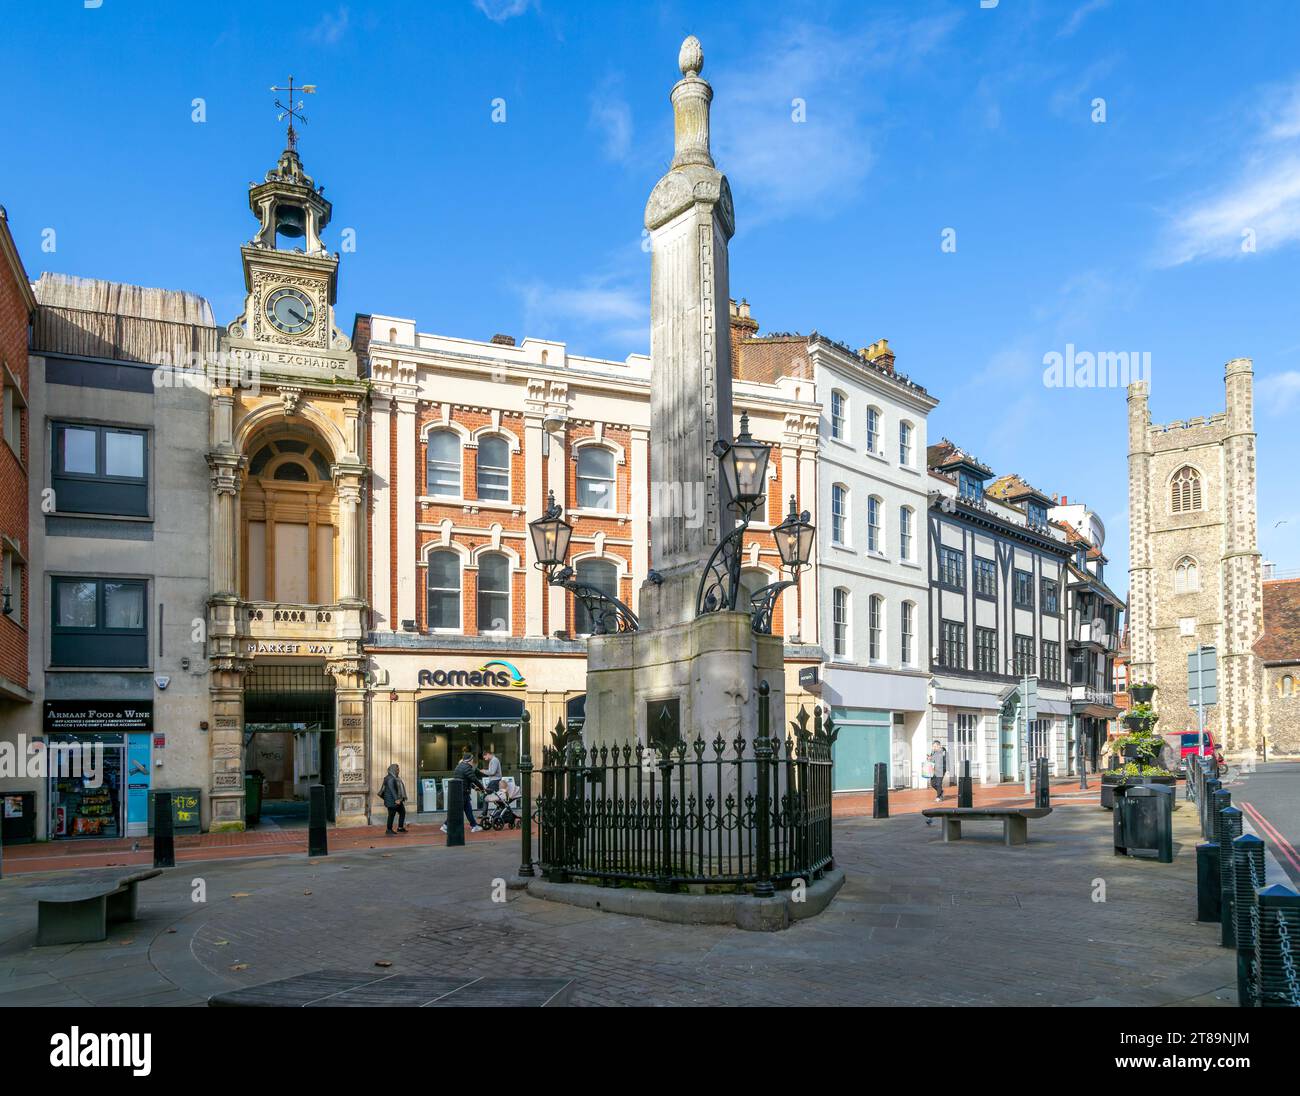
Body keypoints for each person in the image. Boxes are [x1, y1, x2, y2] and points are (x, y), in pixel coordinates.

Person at [440, 749, 484, 834]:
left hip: (461, 791)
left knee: (468, 809)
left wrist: (474, 788)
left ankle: (474, 825)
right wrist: (482, 788)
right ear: (470, 760)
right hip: (462, 792)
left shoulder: (459, 766)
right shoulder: (467, 768)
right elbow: (474, 779)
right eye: (472, 760)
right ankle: (445, 825)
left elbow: (464, 779)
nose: (473, 762)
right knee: (457, 811)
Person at [380, 764, 409, 835]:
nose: (398, 771)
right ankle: (389, 830)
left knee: (402, 812)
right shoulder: (390, 778)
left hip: (396, 799)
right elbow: (392, 789)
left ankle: (400, 828)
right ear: (393, 770)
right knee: (391, 815)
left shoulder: (394, 777)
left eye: (398, 769)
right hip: (392, 800)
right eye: (397, 769)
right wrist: (396, 799)